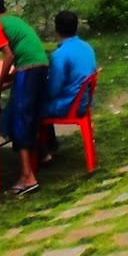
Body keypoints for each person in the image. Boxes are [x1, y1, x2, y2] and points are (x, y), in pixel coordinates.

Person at [0, 0, 50, 196]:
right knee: (31, 113)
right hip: (41, 64)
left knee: (19, 118)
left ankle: (27, 177)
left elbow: (9, 55)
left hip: (28, 67)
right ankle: (44, 152)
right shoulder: (15, 20)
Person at [42, 10, 97, 162]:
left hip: (70, 105)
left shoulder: (60, 54)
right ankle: (51, 146)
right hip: (85, 101)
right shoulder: (86, 47)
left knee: (31, 108)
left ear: (56, 29)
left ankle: (43, 152)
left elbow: (53, 90)